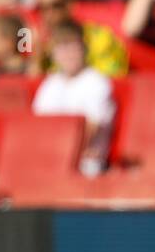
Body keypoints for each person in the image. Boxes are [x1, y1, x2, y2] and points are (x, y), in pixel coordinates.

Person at [32, 20, 116, 174]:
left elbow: (90, 129)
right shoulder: (50, 84)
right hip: (50, 158)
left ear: (84, 48)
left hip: (86, 164)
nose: (67, 53)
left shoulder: (97, 82)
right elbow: (37, 127)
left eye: (72, 46)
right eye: (62, 47)